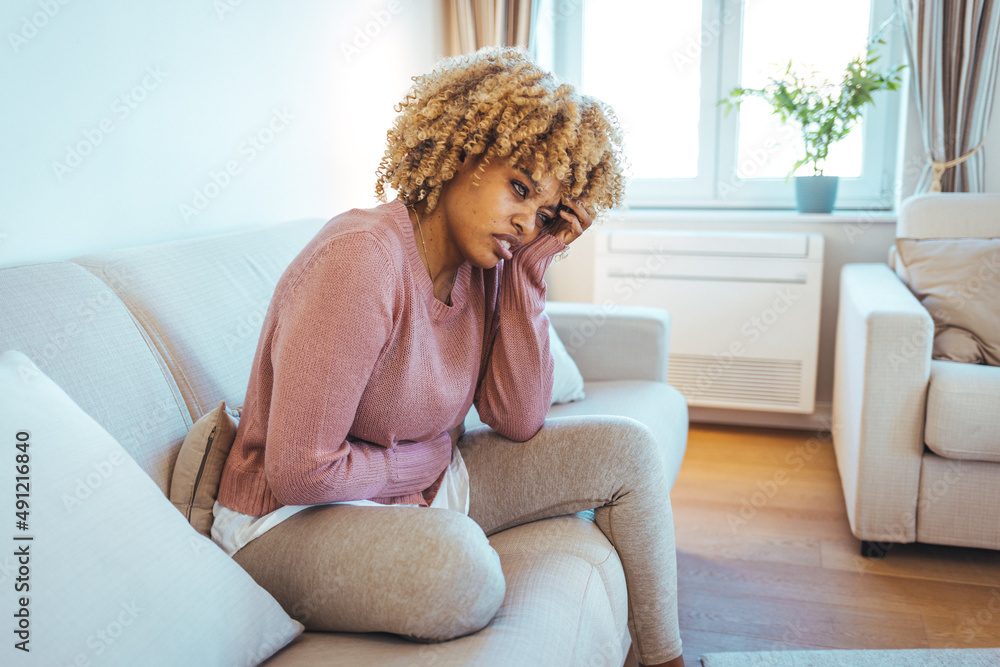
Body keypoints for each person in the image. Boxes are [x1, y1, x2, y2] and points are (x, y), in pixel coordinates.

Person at [212, 46, 684, 667]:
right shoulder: (362, 259)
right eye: (519, 189)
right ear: (463, 151)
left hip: (417, 489)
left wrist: (529, 275)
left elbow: (518, 419)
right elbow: (300, 471)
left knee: (629, 451)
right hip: (288, 521)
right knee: (460, 572)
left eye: (543, 215)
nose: (526, 223)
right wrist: (423, 459)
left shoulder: (488, 269)